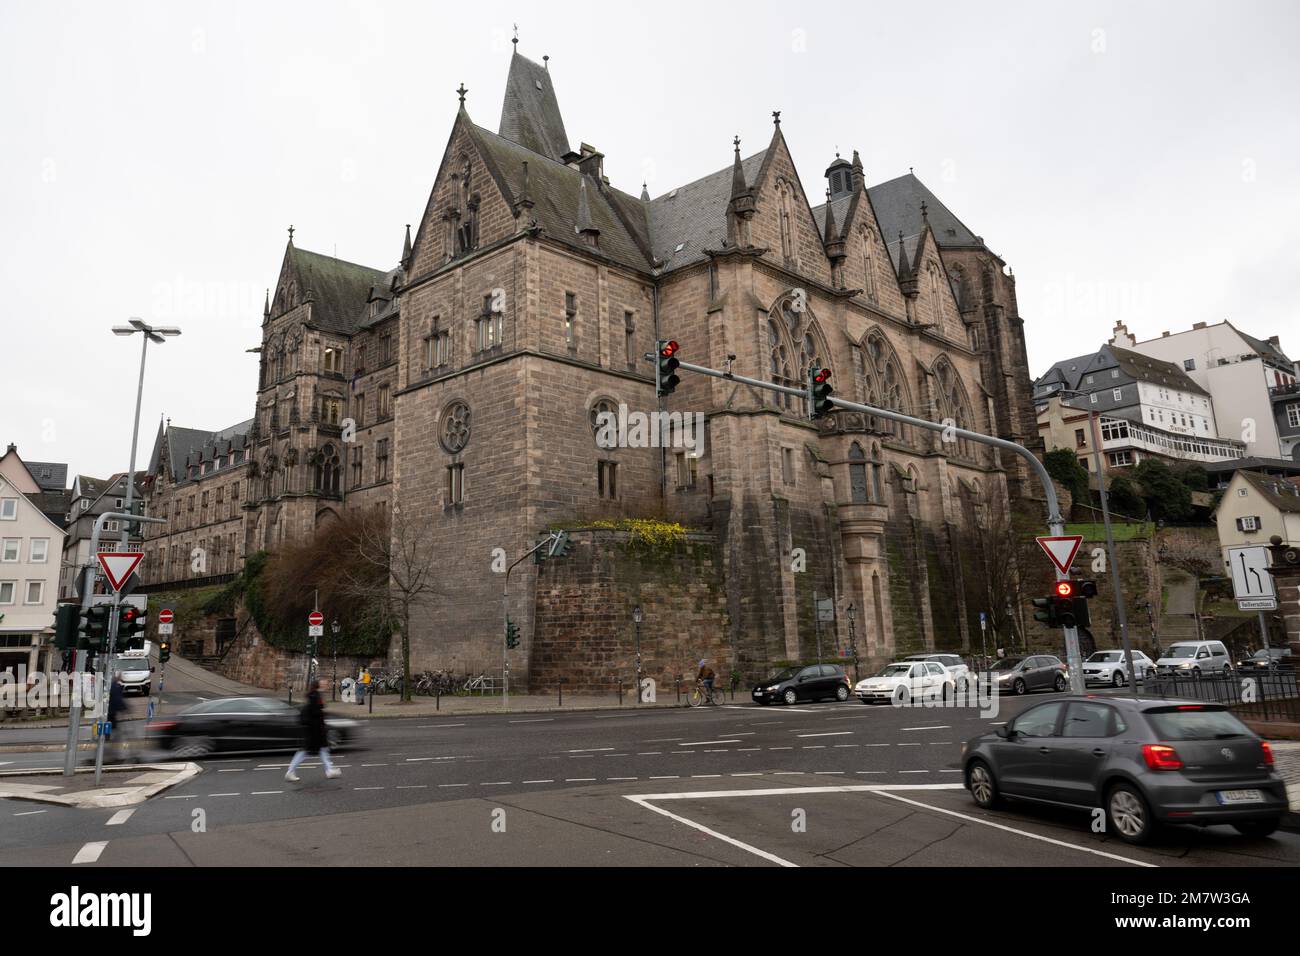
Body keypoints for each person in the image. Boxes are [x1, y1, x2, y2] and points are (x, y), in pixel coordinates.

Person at [285, 680, 341, 782]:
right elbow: (315, 713)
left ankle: (329, 770)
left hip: (315, 729)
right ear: (318, 686)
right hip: (313, 730)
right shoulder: (315, 696)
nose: (326, 685)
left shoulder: (315, 695)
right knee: (305, 751)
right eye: (324, 684)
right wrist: (322, 713)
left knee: (323, 750)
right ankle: (290, 771)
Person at [106, 671, 129, 762]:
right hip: (111, 714)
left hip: (111, 713)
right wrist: (125, 709)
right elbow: (117, 699)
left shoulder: (114, 685)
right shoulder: (114, 686)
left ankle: (109, 750)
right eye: (120, 676)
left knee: (112, 733)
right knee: (115, 733)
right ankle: (111, 754)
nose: (121, 678)